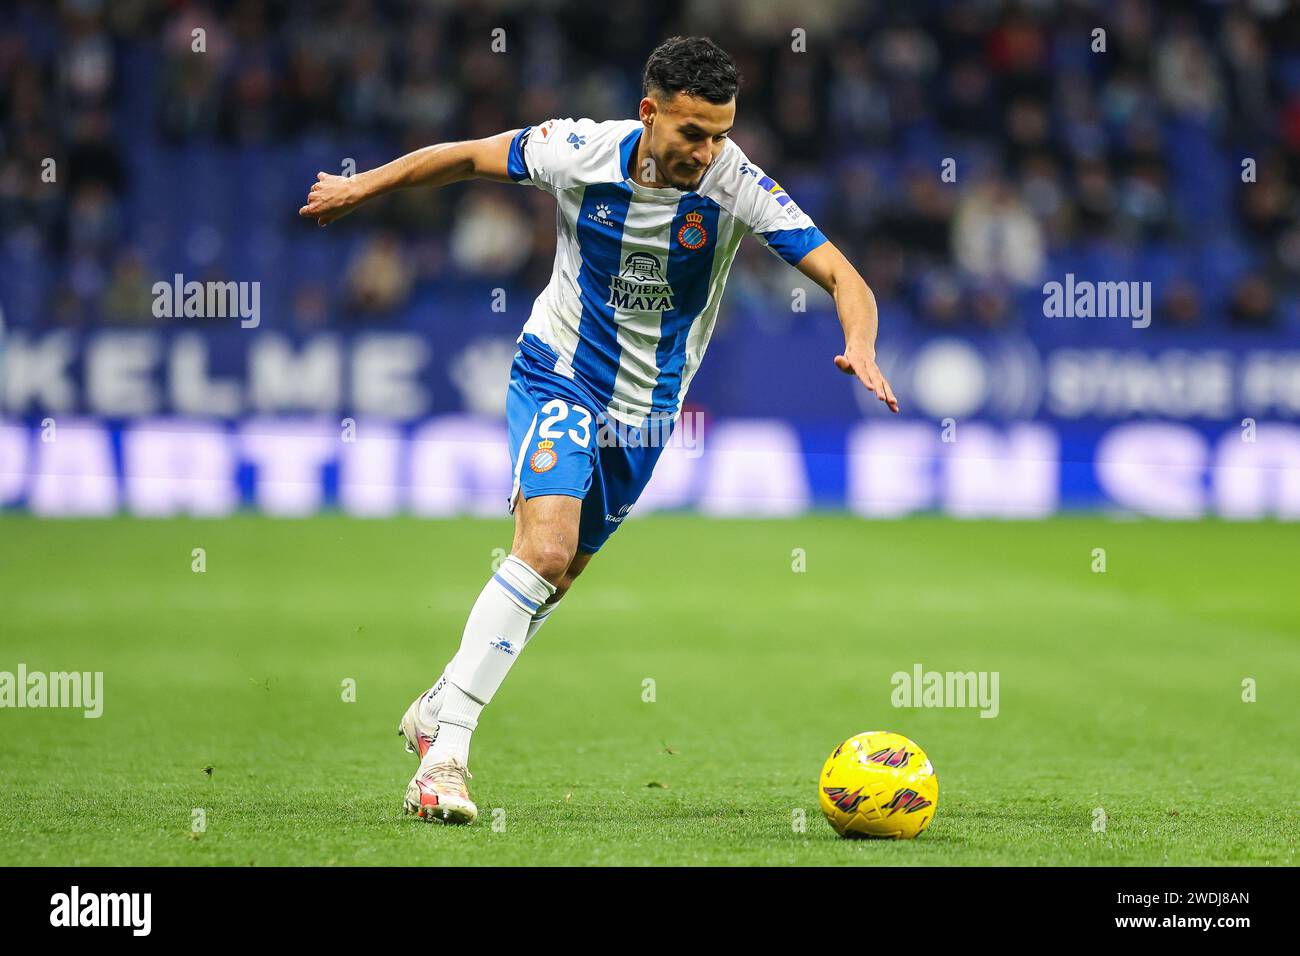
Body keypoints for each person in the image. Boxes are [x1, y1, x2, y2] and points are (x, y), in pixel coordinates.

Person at [299, 35, 898, 824]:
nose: (709, 150)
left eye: (721, 132)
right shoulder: (576, 148)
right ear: (649, 114)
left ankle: (438, 700)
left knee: (558, 575)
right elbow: (467, 156)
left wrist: (859, 343)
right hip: (560, 373)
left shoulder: (736, 181)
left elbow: (842, 274)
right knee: (541, 550)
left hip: (647, 415)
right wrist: (361, 186)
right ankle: (445, 756)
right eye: (693, 132)